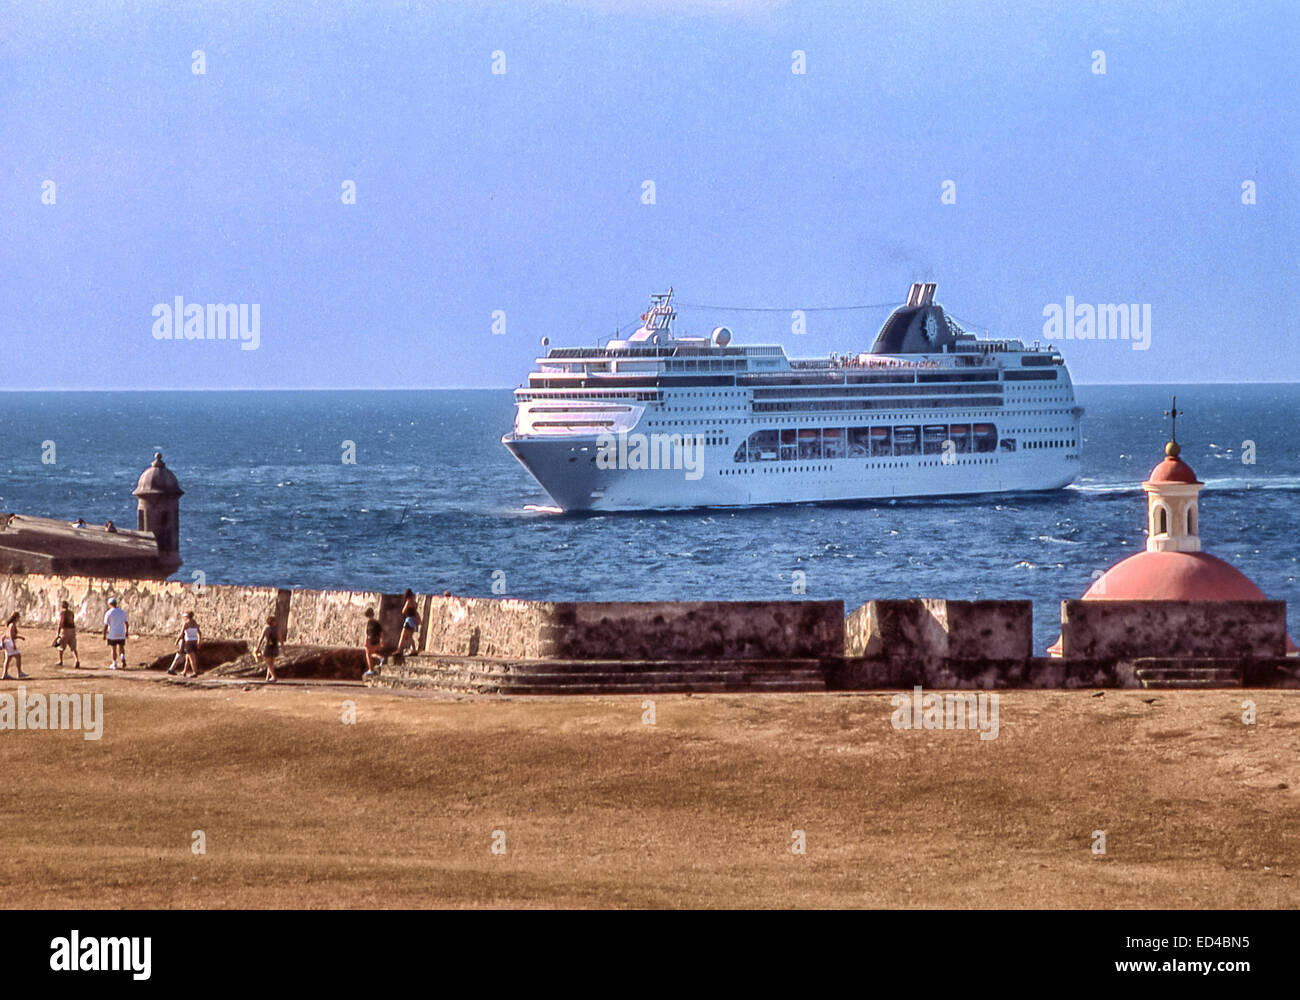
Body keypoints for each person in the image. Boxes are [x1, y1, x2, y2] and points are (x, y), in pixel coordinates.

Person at [103, 597, 129, 670]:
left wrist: (104, 634)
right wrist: (126, 631)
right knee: (121, 647)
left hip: (113, 633)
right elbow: (126, 623)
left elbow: (106, 625)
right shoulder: (122, 612)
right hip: (121, 632)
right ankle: (122, 656)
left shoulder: (108, 613)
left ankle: (114, 663)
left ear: (110, 604)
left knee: (113, 649)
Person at [2, 613, 28, 680]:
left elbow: (9, 635)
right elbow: (10, 635)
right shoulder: (12, 625)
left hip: (9, 642)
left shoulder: (11, 625)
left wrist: (20, 637)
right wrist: (12, 643)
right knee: (17, 656)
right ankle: (19, 672)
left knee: (8, 659)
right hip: (10, 643)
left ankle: (5, 673)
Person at [175, 612, 201, 678]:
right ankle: (184, 671)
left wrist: (177, 641)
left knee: (192, 658)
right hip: (194, 641)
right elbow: (199, 633)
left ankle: (195, 672)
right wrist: (199, 641)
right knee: (188, 658)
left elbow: (181, 634)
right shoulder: (195, 623)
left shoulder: (186, 624)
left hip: (188, 642)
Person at [256, 615, 281, 683]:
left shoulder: (266, 628)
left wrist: (257, 648)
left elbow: (261, 638)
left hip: (268, 646)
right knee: (271, 663)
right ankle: (267, 677)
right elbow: (280, 639)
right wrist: (283, 648)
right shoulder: (277, 629)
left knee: (268, 663)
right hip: (275, 646)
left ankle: (274, 676)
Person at [396, 589, 420, 658]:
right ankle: (414, 650)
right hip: (413, 621)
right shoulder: (415, 603)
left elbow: (403, 611)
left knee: (402, 635)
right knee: (410, 636)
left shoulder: (408, 602)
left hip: (408, 620)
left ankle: (399, 650)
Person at [56, 601, 81, 668]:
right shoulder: (71, 613)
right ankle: (76, 660)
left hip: (65, 630)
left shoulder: (62, 613)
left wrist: (58, 633)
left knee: (61, 647)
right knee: (73, 647)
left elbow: (61, 623)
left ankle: (61, 661)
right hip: (72, 630)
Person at [362, 607, 383, 681]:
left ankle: (371, 669)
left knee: (368, 653)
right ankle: (380, 658)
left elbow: (367, 634)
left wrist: (365, 643)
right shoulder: (377, 622)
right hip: (377, 641)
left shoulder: (369, 623)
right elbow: (381, 633)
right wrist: (381, 641)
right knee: (371, 653)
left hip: (371, 640)